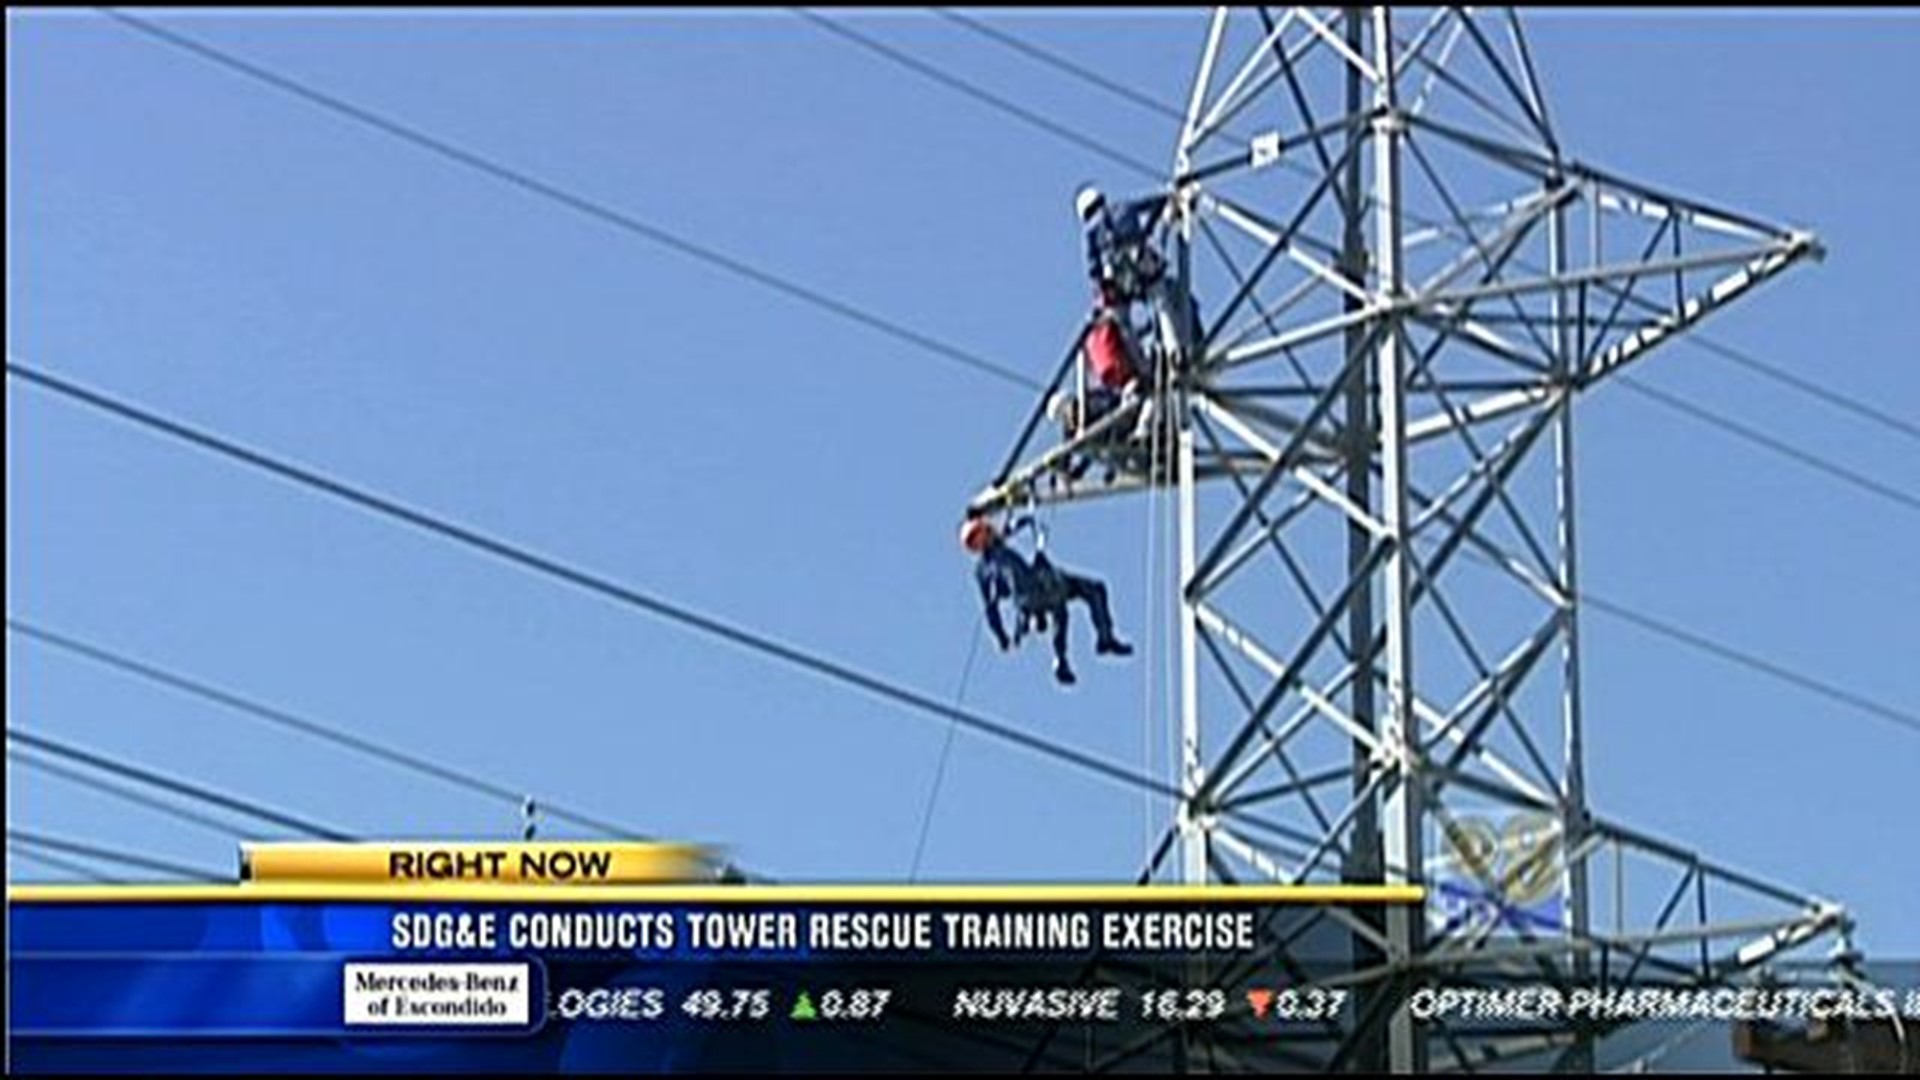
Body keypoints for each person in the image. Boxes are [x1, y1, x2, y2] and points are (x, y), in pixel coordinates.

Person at [961, 514, 1133, 686]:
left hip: (1036, 588)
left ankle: (1094, 644)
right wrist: (1001, 636)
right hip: (1035, 590)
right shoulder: (987, 567)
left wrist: (1002, 637)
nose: (986, 536)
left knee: (1084, 595)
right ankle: (1075, 653)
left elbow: (1023, 525)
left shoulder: (993, 554)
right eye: (980, 536)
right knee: (1066, 605)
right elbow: (991, 607)